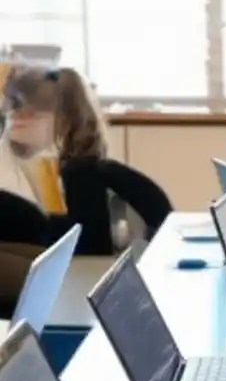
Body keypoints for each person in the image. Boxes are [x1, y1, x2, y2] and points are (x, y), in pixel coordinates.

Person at [0, 65, 171, 255]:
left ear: (64, 118)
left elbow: (86, 253)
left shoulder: (86, 177)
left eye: (31, 112)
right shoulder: (15, 170)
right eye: (13, 108)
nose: (16, 117)